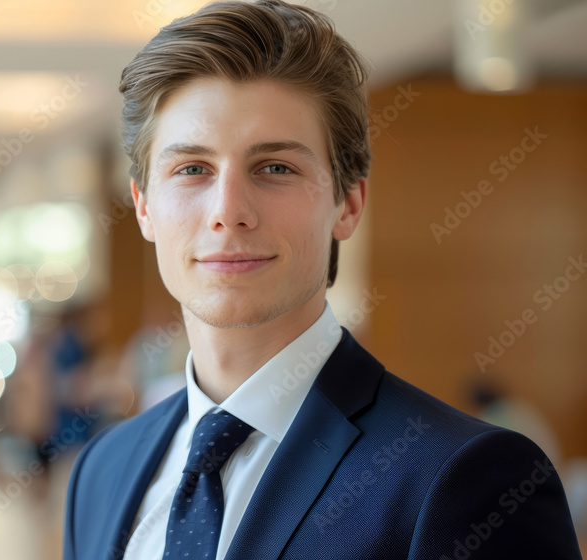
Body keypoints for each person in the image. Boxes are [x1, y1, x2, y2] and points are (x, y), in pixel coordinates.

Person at [62, 2, 581, 559]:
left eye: (275, 168)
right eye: (192, 169)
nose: (228, 210)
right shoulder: (103, 468)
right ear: (143, 208)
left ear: (348, 202)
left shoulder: (466, 480)